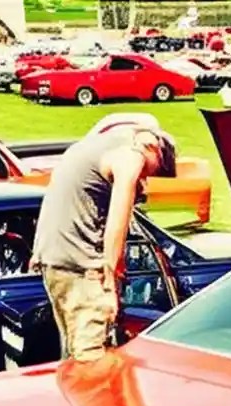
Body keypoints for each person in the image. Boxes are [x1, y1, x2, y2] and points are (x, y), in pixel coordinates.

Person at [31, 119, 177, 362]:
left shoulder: (87, 148)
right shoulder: (131, 156)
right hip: (83, 268)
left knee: (73, 355)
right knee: (92, 360)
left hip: (54, 263)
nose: (146, 179)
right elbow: (117, 223)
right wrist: (110, 283)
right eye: (152, 171)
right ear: (151, 145)